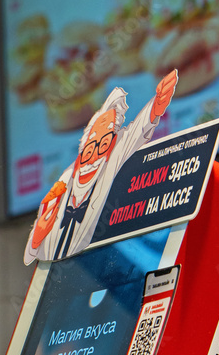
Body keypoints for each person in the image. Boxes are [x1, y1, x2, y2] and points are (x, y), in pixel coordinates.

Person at [24, 70, 178, 265]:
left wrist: (157, 105)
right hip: (56, 262)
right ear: (84, 142)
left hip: (94, 256)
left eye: (104, 143)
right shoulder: (67, 176)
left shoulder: (112, 161)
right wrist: (39, 234)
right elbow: (32, 250)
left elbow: (136, 131)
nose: (96, 150)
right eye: (92, 143)